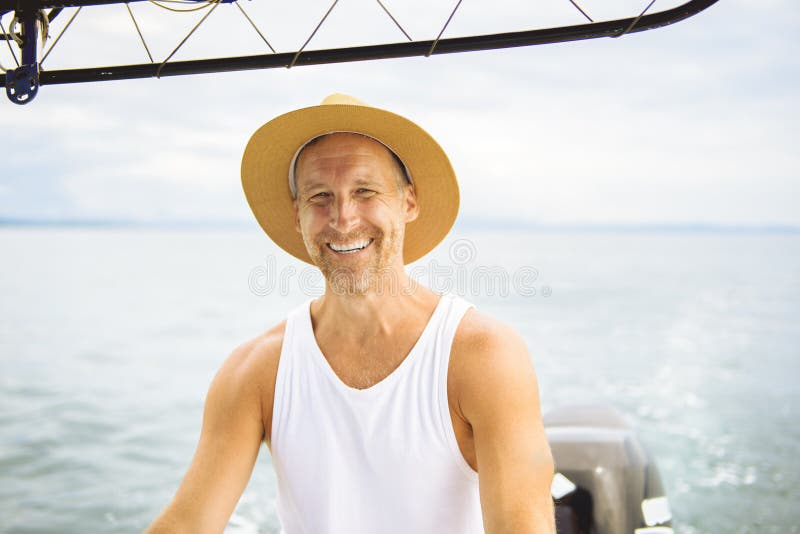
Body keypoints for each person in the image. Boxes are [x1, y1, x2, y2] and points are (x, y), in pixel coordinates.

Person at [146, 94, 555, 534]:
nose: (342, 218)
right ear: (297, 215)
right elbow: (188, 522)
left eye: (365, 191)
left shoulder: (483, 356)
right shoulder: (256, 371)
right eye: (320, 196)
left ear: (408, 202)